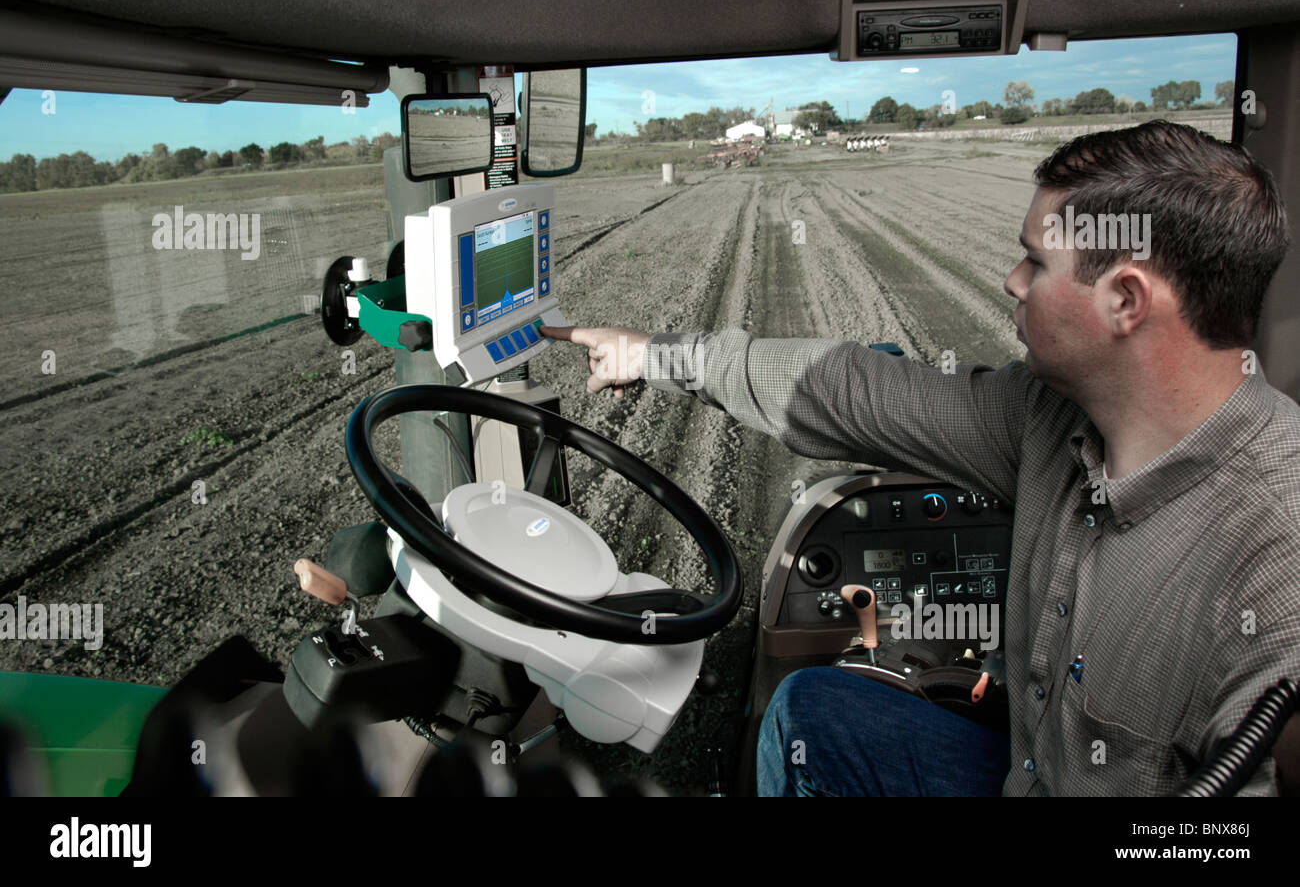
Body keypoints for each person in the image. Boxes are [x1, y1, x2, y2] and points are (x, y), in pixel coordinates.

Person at [539, 120, 1298, 796]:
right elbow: (854, 391)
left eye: (1036, 262)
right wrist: (658, 354)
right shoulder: (1042, 419)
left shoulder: (1278, 559)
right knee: (810, 710)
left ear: (1126, 301)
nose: (1012, 280)